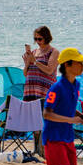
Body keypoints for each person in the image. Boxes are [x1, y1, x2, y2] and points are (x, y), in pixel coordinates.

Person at [22, 26, 58, 154]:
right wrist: (27, 63)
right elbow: (25, 73)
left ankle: (44, 148)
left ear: (47, 37)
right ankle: (37, 148)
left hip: (45, 89)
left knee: (45, 118)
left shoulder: (53, 52)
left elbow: (49, 70)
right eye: (35, 39)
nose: (38, 41)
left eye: (40, 38)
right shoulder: (34, 52)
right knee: (33, 119)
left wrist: (35, 61)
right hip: (31, 88)